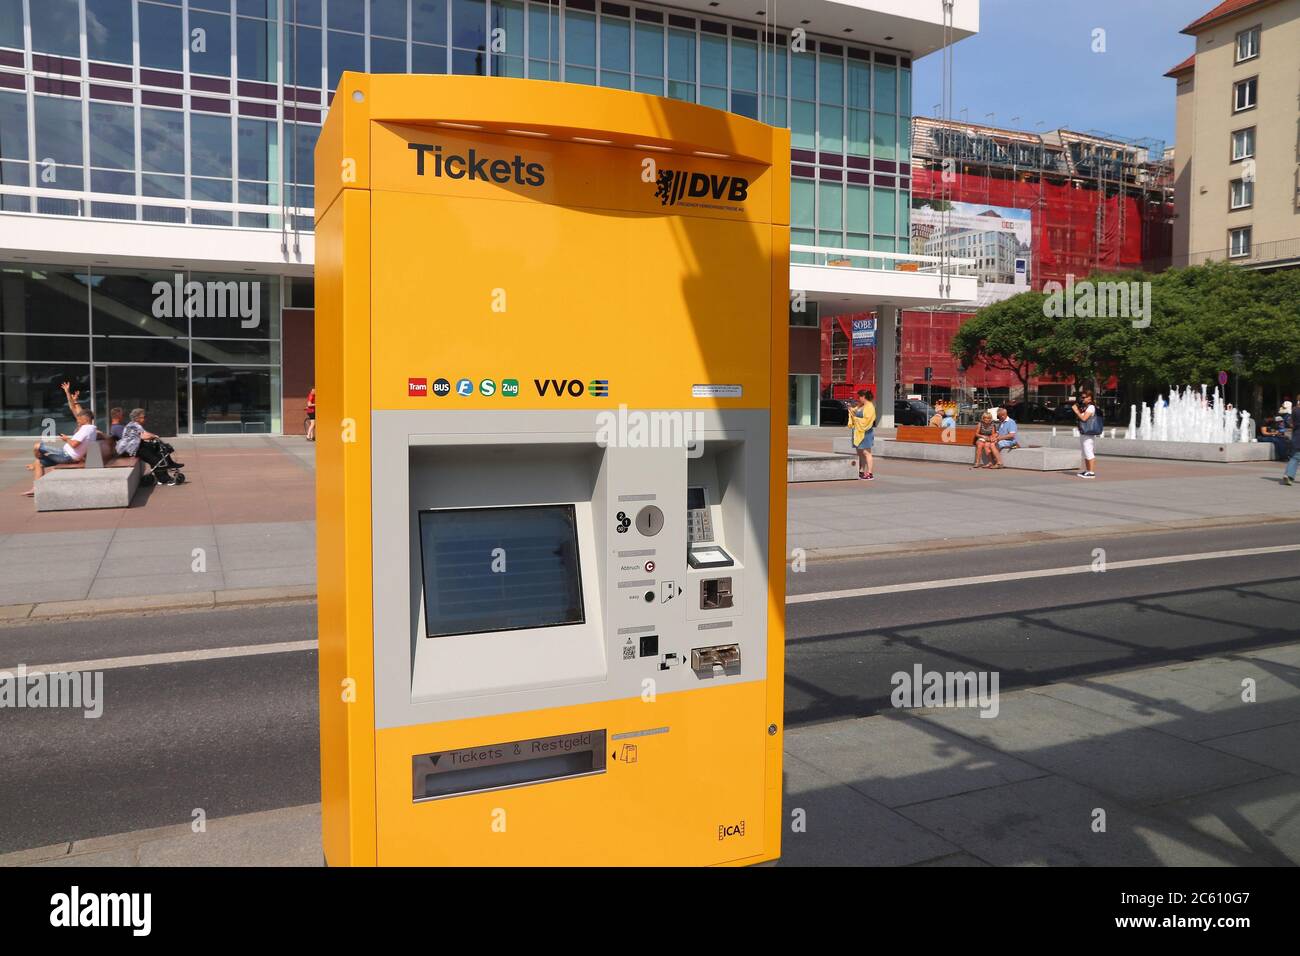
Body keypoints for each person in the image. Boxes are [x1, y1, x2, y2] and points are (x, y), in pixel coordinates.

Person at [24, 409, 98, 496]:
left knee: (38, 446)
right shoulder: (91, 429)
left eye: (79, 419)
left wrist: (66, 439)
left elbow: (74, 444)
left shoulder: (86, 429)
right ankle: (35, 488)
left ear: (85, 419)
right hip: (68, 455)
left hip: (66, 455)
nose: (77, 421)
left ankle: (34, 465)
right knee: (39, 463)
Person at [849, 388, 876, 481]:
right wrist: (851, 410)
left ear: (863, 397)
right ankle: (861, 471)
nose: (858, 398)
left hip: (866, 432)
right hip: (858, 432)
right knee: (860, 452)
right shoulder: (861, 405)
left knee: (866, 452)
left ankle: (869, 473)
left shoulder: (870, 407)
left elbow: (867, 420)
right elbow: (855, 411)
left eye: (859, 396)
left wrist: (856, 419)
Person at [1073, 388, 1099, 479]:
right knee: (1085, 452)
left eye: (1084, 397)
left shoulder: (1091, 407)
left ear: (1090, 398)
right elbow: (1082, 417)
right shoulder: (1086, 407)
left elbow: (1084, 419)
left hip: (1088, 433)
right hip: (1084, 432)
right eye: (1082, 397)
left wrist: (1076, 411)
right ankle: (1088, 471)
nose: (1083, 399)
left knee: (1088, 451)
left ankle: (1091, 472)